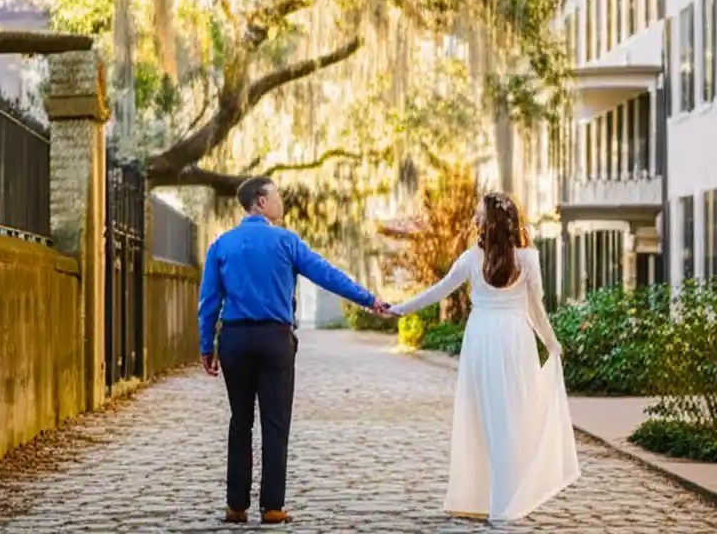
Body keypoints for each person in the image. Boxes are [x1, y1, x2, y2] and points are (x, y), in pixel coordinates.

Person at [198, 176, 390, 525]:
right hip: (275, 340)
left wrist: (205, 346)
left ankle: (235, 505)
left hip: (235, 340)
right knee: (274, 422)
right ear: (259, 201)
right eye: (276, 196)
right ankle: (272, 507)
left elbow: (209, 301)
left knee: (240, 421)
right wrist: (368, 299)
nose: (281, 202)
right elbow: (326, 274)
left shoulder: (222, 245)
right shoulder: (286, 242)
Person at [389, 192, 580, 522]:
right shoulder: (528, 259)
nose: (474, 218)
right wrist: (551, 343)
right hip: (515, 337)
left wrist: (398, 309)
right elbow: (537, 310)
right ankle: (504, 498)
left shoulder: (470, 259)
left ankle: (491, 497)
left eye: (478, 214)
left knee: (486, 416)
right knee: (513, 415)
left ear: (488, 223)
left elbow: (438, 292)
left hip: (482, 336)